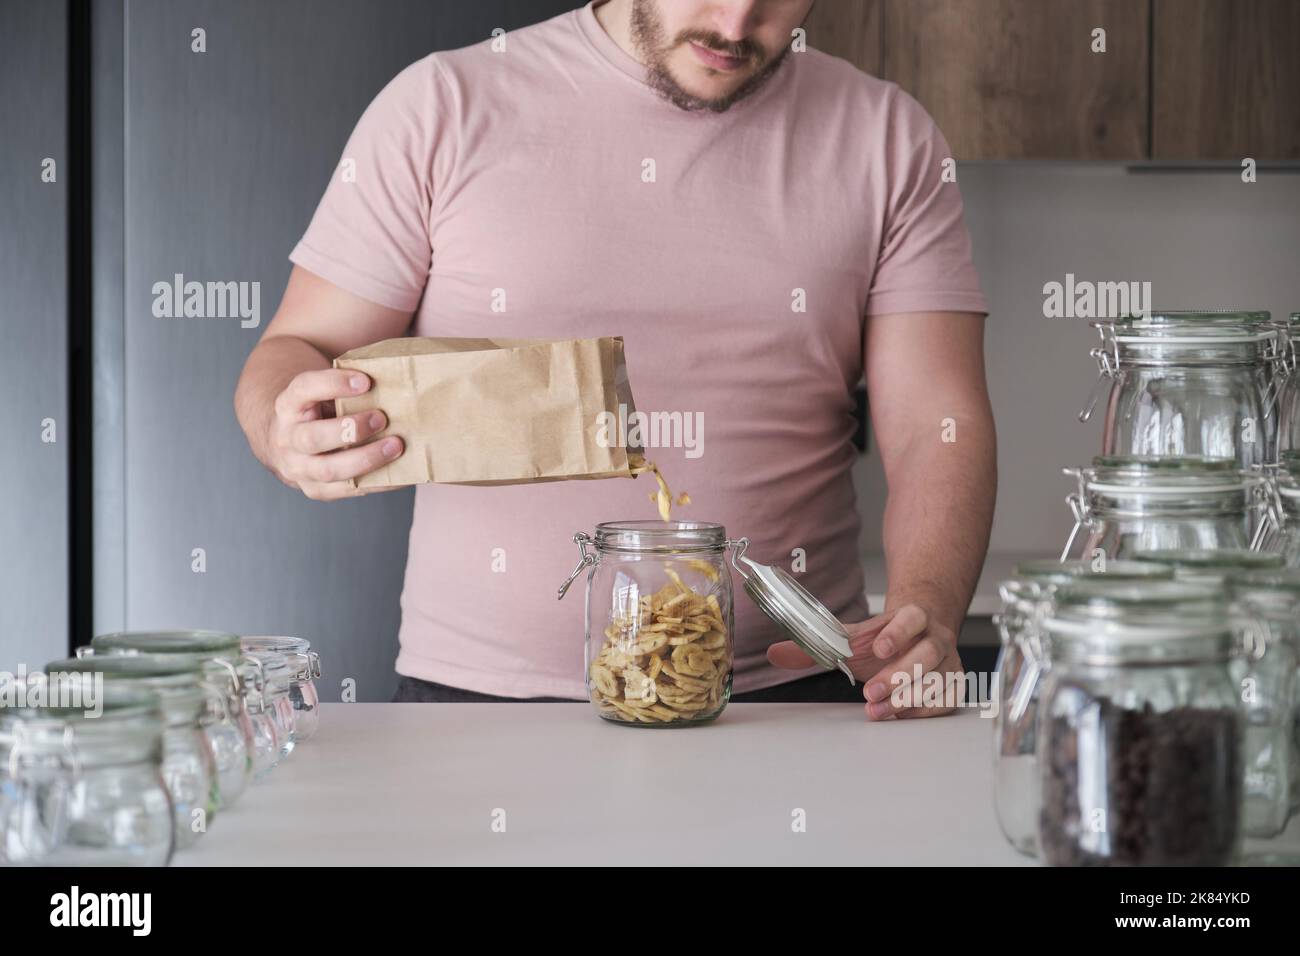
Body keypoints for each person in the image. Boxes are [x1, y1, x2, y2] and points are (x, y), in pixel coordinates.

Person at [234, 0, 996, 718]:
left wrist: (926, 609)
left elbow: (938, 422)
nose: (736, 23)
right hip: (480, 706)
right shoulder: (444, 103)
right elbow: (296, 349)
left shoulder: (888, 137)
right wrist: (284, 426)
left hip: (792, 698)